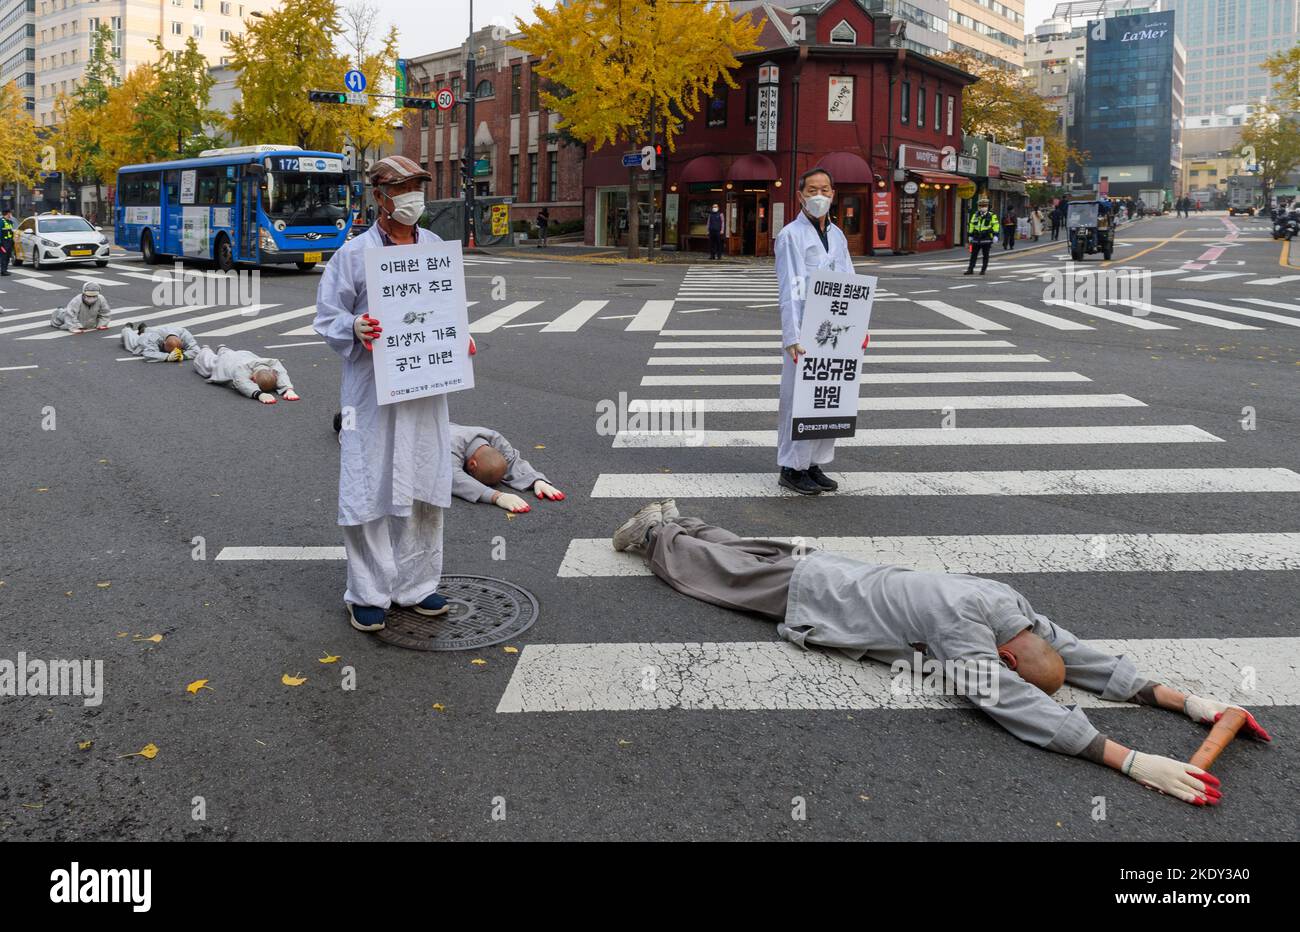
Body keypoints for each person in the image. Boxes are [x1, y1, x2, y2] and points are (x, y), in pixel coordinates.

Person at [611, 502, 1272, 806]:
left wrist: (1188, 701)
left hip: (839, 570)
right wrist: (1131, 761)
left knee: (743, 553)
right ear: (1008, 658)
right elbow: (1014, 705)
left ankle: (685, 522)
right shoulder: (967, 639)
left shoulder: (1010, 610)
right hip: (817, 595)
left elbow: (1077, 657)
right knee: (710, 578)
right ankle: (655, 535)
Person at [314, 154, 454, 634]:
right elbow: (327, 316)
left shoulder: (434, 246)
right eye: (403, 188)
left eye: (418, 186)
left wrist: (459, 338)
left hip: (426, 386)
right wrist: (354, 326)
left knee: (424, 481)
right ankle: (368, 592)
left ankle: (416, 585)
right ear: (380, 196)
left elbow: (444, 309)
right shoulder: (353, 255)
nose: (413, 196)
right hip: (372, 388)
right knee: (367, 482)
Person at [774, 167, 852, 496]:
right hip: (805, 332)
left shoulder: (837, 235)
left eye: (825, 189)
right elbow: (788, 289)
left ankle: (813, 463)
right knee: (798, 401)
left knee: (828, 399)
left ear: (833, 194)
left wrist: (857, 329)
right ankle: (792, 467)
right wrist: (791, 336)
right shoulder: (791, 235)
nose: (819, 195)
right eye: (812, 190)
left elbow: (850, 282)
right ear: (800, 195)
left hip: (835, 330)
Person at [450, 423, 564, 512]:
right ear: (472, 465)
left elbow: (512, 459)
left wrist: (536, 480)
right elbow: (453, 477)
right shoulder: (447, 449)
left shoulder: (494, 439)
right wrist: (496, 496)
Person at [193, 344, 299, 403]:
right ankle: (205, 350)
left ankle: (223, 348)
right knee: (208, 364)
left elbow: (280, 372)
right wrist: (259, 394)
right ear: (252, 379)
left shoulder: (271, 362)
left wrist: (288, 389)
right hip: (227, 362)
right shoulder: (240, 370)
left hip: (243, 354)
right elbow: (242, 382)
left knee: (228, 353)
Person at [120, 322, 199, 362]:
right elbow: (148, 354)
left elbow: (196, 350)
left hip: (160, 331)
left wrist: (183, 356)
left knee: (154, 331)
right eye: (168, 351)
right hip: (150, 336)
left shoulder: (184, 335)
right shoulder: (151, 338)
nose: (172, 353)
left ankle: (145, 329)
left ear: (181, 343)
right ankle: (127, 328)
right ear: (164, 343)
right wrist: (167, 357)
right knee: (132, 344)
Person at [964, 196, 999, 276]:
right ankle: (970, 269)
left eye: (984, 206)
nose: (982, 207)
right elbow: (972, 225)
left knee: (985, 255)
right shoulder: (975, 215)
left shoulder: (992, 215)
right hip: (976, 238)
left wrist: (995, 235)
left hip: (986, 238)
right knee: (973, 255)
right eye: (981, 206)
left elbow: (995, 225)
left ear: (987, 206)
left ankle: (983, 270)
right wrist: (970, 235)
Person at [0, 207, 15, 276]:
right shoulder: (1, 221)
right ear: (8, 213)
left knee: (8, 256)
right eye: (10, 213)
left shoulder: (10, 222)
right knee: (4, 256)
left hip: (9, 242)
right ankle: (3, 271)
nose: (11, 214)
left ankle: (5, 269)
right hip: (3, 242)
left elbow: (11, 232)